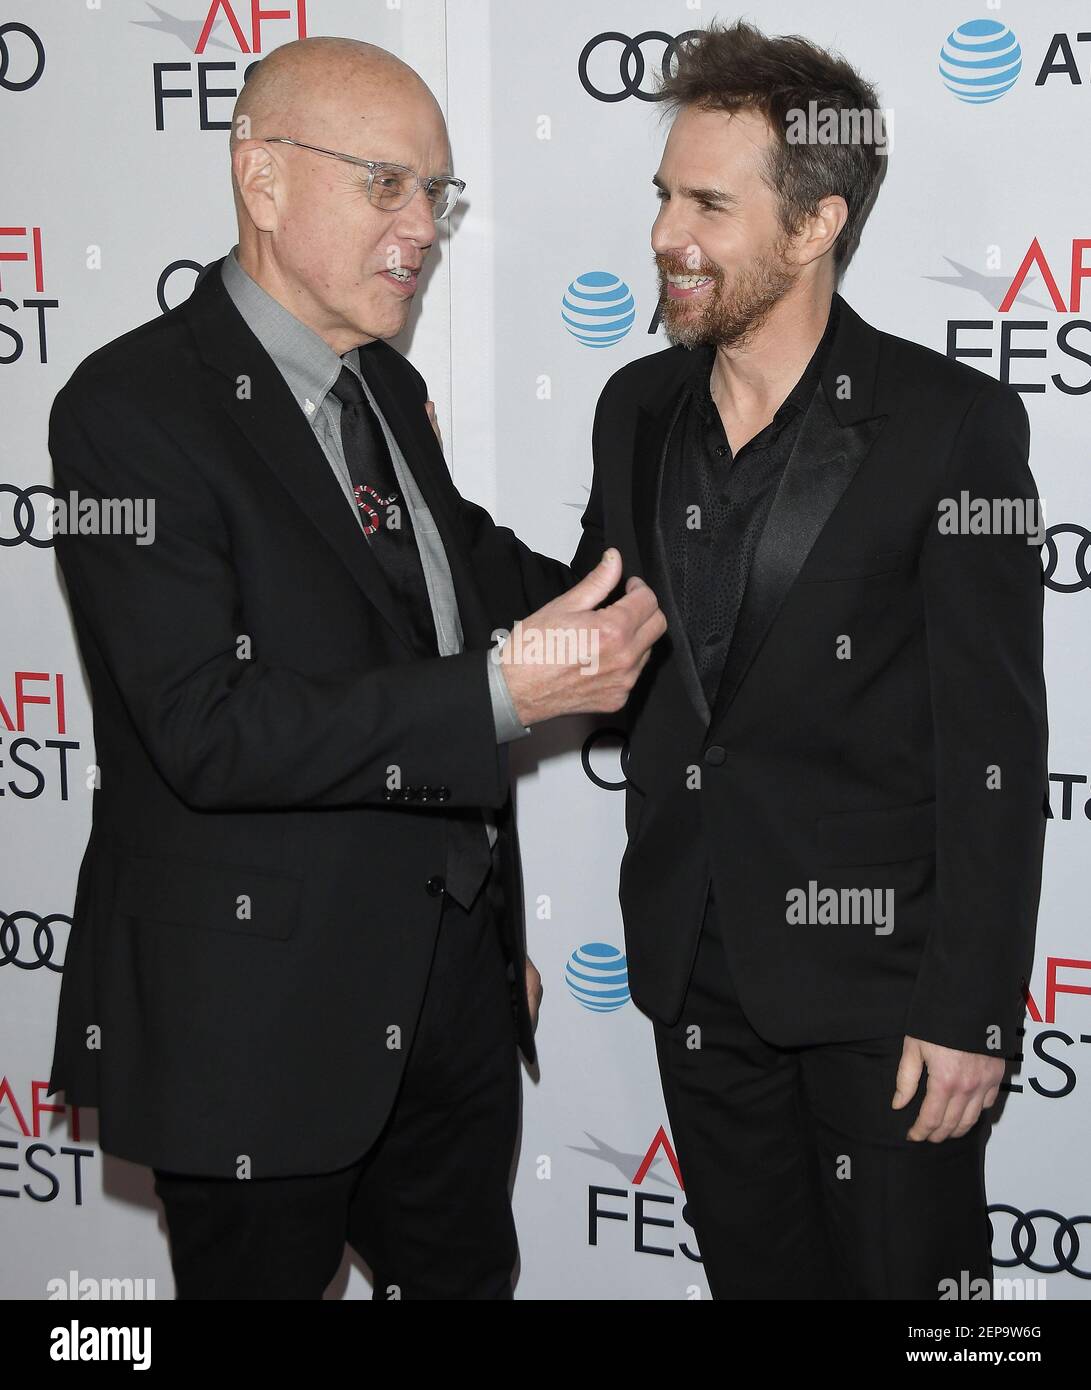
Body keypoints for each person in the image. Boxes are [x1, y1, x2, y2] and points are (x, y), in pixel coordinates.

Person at [46, 35, 662, 1300]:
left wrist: (677, 528)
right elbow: (206, 728)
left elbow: (476, 581)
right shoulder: (129, 410)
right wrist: (501, 694)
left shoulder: (384, 384)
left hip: (447, 996)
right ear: (261, 178)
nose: (422, 226)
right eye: (386, 183)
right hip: (254, 1014)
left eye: (436, 194)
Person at [573, 19, 1047, 1299]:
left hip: (887, 997)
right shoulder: (635, 408)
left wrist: (972, 1007)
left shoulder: (947, 427)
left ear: (814, 222)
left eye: (708, 204)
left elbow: (995, 746)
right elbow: (592, 609)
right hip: (695, 967)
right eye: (665, 193)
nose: (669, 231)